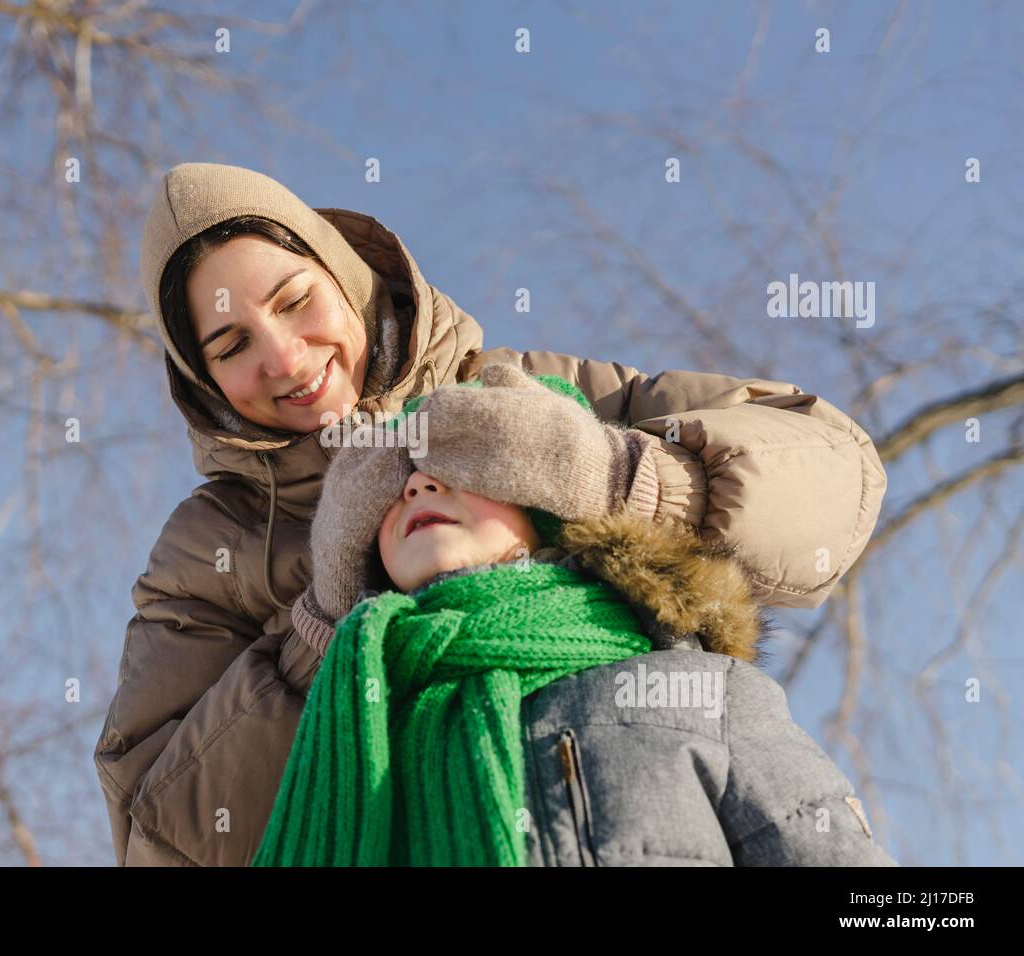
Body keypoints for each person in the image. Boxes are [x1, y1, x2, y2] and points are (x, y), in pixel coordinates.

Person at [94, 161, 888, 866]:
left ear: (347, 280)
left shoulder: (533, 388)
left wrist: (631, 480)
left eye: (295, 299)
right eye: (231, 345)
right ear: (204, 384)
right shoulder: (206, 553)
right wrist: (327, 632)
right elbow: (159, 836)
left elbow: (835, 472)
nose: (285, 359)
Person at [252, 366, 898, 866]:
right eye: (389, 492)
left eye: (458, 470)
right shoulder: (352, 727)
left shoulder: (691, 690)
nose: (417, 487)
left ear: (546, 508)